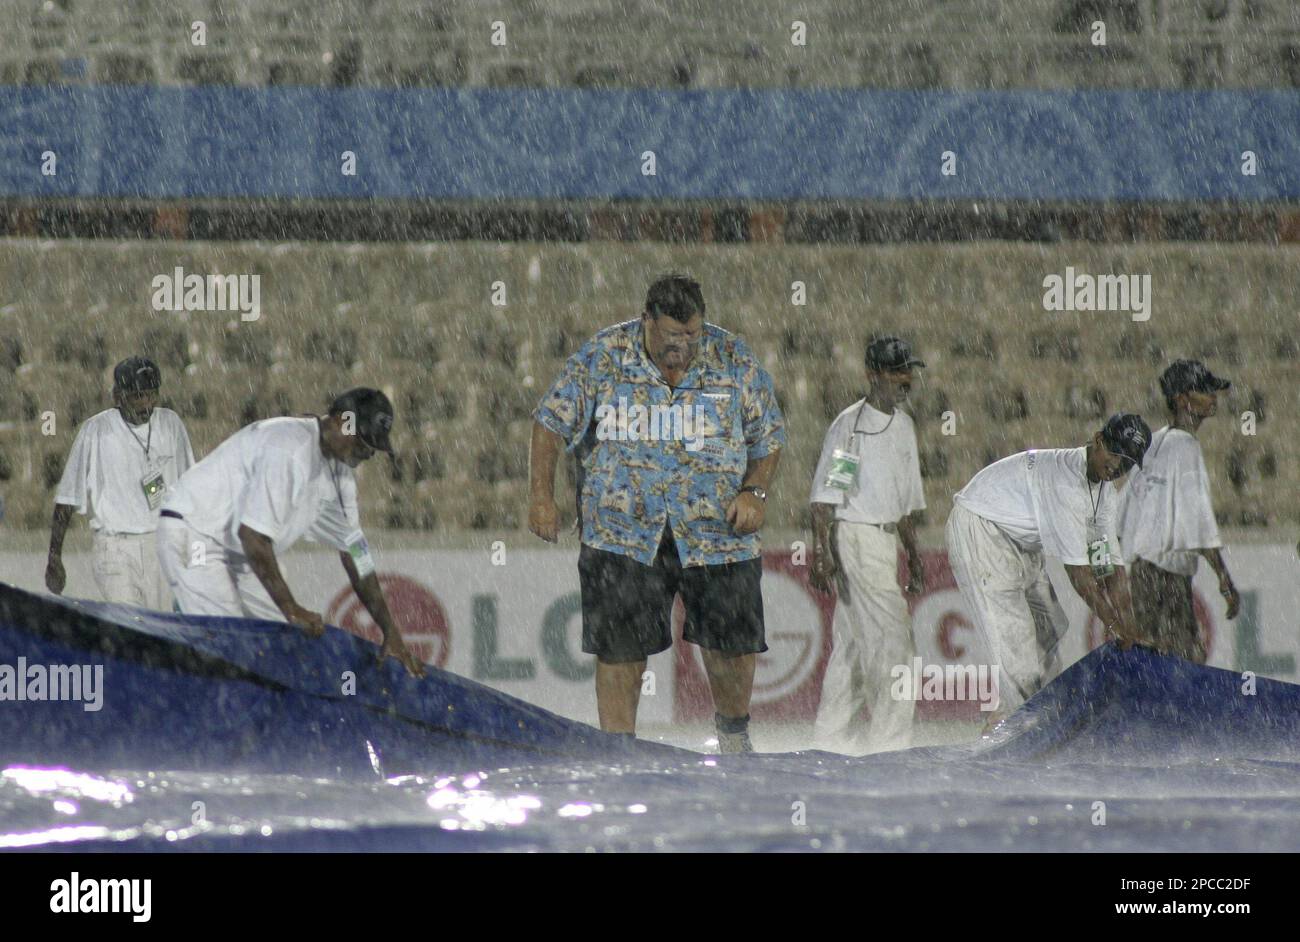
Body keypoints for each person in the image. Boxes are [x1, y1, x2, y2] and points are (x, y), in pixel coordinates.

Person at [528, 273, 785, 753]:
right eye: (671, 337)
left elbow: (769, 436)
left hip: (716, 530)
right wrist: (541, 496)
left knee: (732, 645)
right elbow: (548, 422)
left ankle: (733, 738)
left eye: (692, 336)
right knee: (619, 649)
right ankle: (617, 750)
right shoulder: (602, 356)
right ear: (647, 320)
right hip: (622, 531)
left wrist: (755, 492)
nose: (683, 347)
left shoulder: (733, 358)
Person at [156, 388, 424, 677]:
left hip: (238, 550)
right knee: (224, 642)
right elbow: (253, 537)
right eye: (364, 442)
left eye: (373, 447)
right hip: (197, 533)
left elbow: (356, 552)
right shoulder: (289, 450)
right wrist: (290, 607)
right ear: (340, 421)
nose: (369, 453)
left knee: (282, 641)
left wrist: (390, 630)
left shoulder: (340, 479)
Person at [945, 413, 1151, 722]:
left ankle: (1027, 715)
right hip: (982, 530)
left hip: (1019, 540)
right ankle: (1012, 724)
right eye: (1115, 454)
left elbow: (1108, 566)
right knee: (1018, 649)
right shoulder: (1067, 484)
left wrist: (1131, 627)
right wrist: (1114, 626)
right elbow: (1080, 576)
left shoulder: (1105, 491)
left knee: (1051, 627)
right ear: (1098, 440)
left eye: (1127, 462)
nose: (1117, 466)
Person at [808, 336, 927, 755]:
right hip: (855, 537)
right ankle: (892, 746)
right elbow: (827, 496)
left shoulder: (906, 427)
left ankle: (830, 740)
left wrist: (913, 555)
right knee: (895, 642)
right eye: (897, 372)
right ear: (873, 374)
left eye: (907, 371)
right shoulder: (851, 427)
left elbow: (907, 503)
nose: (906, 379)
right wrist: (822, 552)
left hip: (885, 541)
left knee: (855, 648)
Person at [46, 356, 195, 609]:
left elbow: (191, 491)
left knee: (163, 632)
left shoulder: (171, 424)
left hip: (164, 546)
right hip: (115, 549)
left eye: (151, 395)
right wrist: (54, 557)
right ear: (117, 396)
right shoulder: (96, 431)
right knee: (132, 626)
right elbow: (67, 498)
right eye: (137, 396)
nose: (146, 404)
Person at [1117, 360, 1239, 663]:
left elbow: (1123, 511)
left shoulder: (1152, 442)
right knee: (1184, 660)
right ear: (1182, 399)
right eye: (1205, 391)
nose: (1213, 398)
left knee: (1149, 659)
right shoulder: (1186, 447)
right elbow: (1196, 520)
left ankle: (1138, 709)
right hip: (1167, 578)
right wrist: (1223, 578)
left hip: (1143, 572)